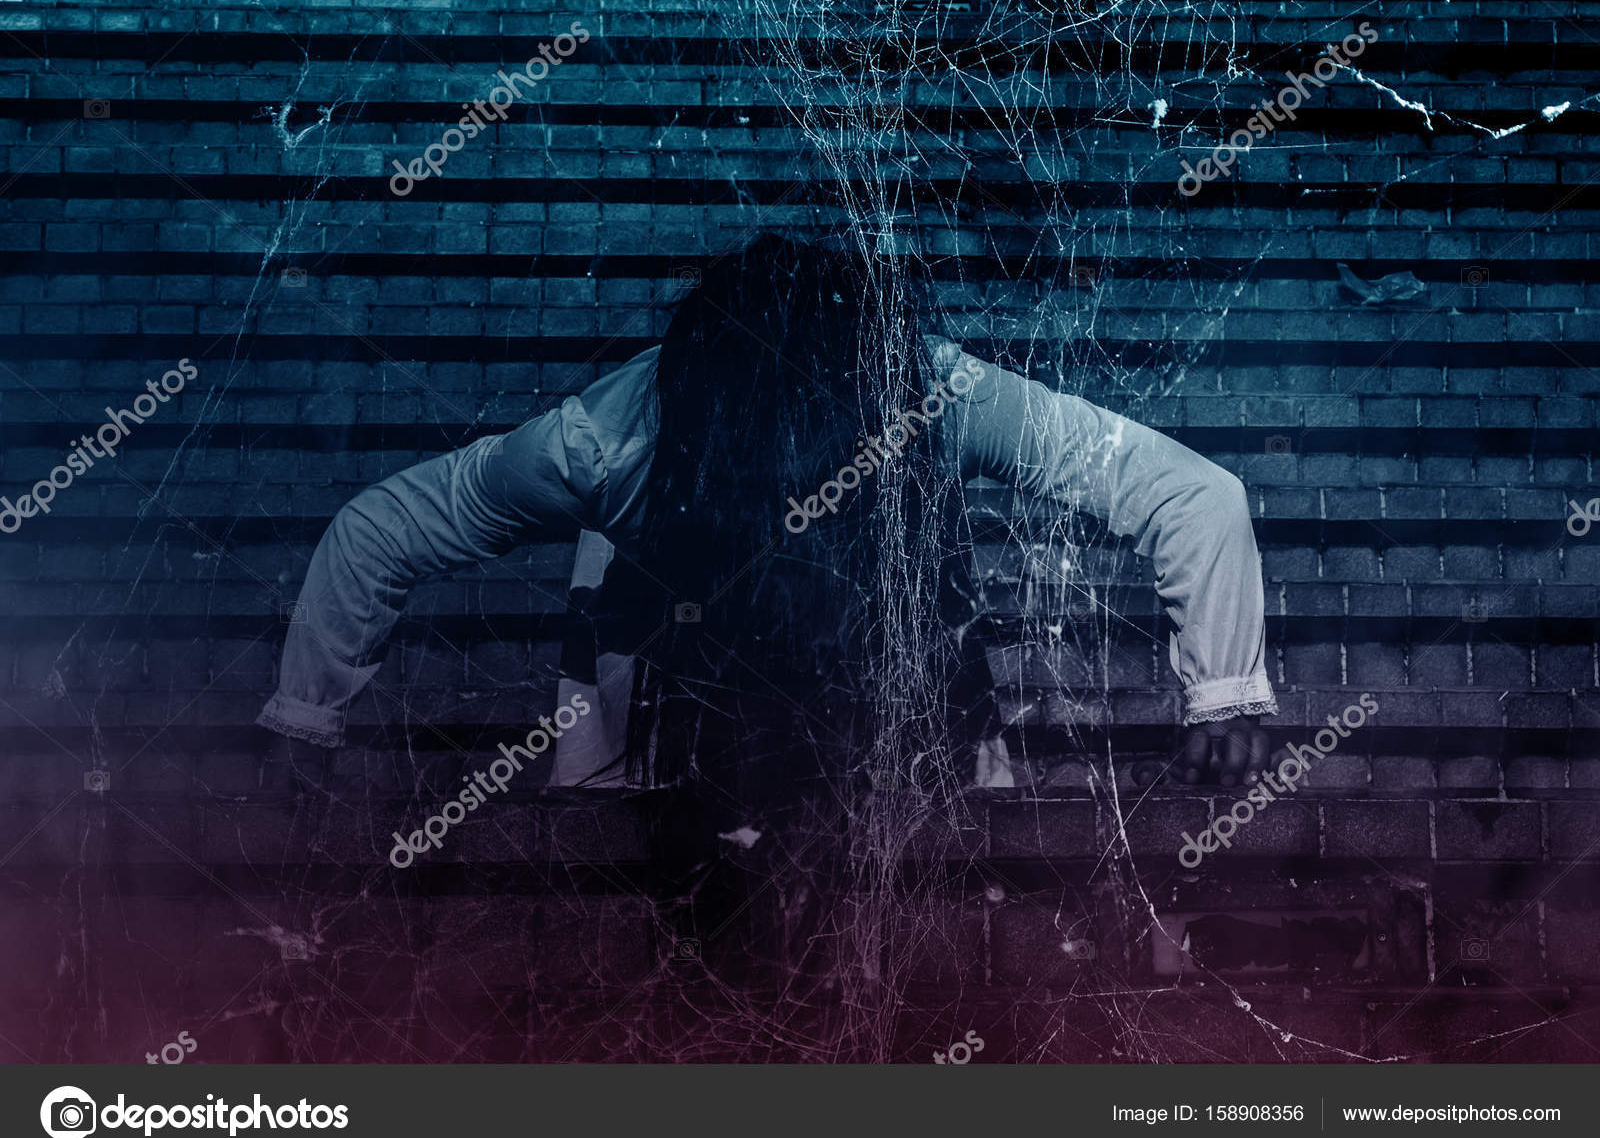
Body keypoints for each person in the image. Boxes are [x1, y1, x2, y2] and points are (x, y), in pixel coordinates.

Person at [258, 234, 1276, 800]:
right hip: (670, 696)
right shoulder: (605, 435)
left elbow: (1189, 493)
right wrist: (303, 715)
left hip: (883, 682)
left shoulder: (931, 389)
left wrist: (1225, 690)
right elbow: (379, 528)